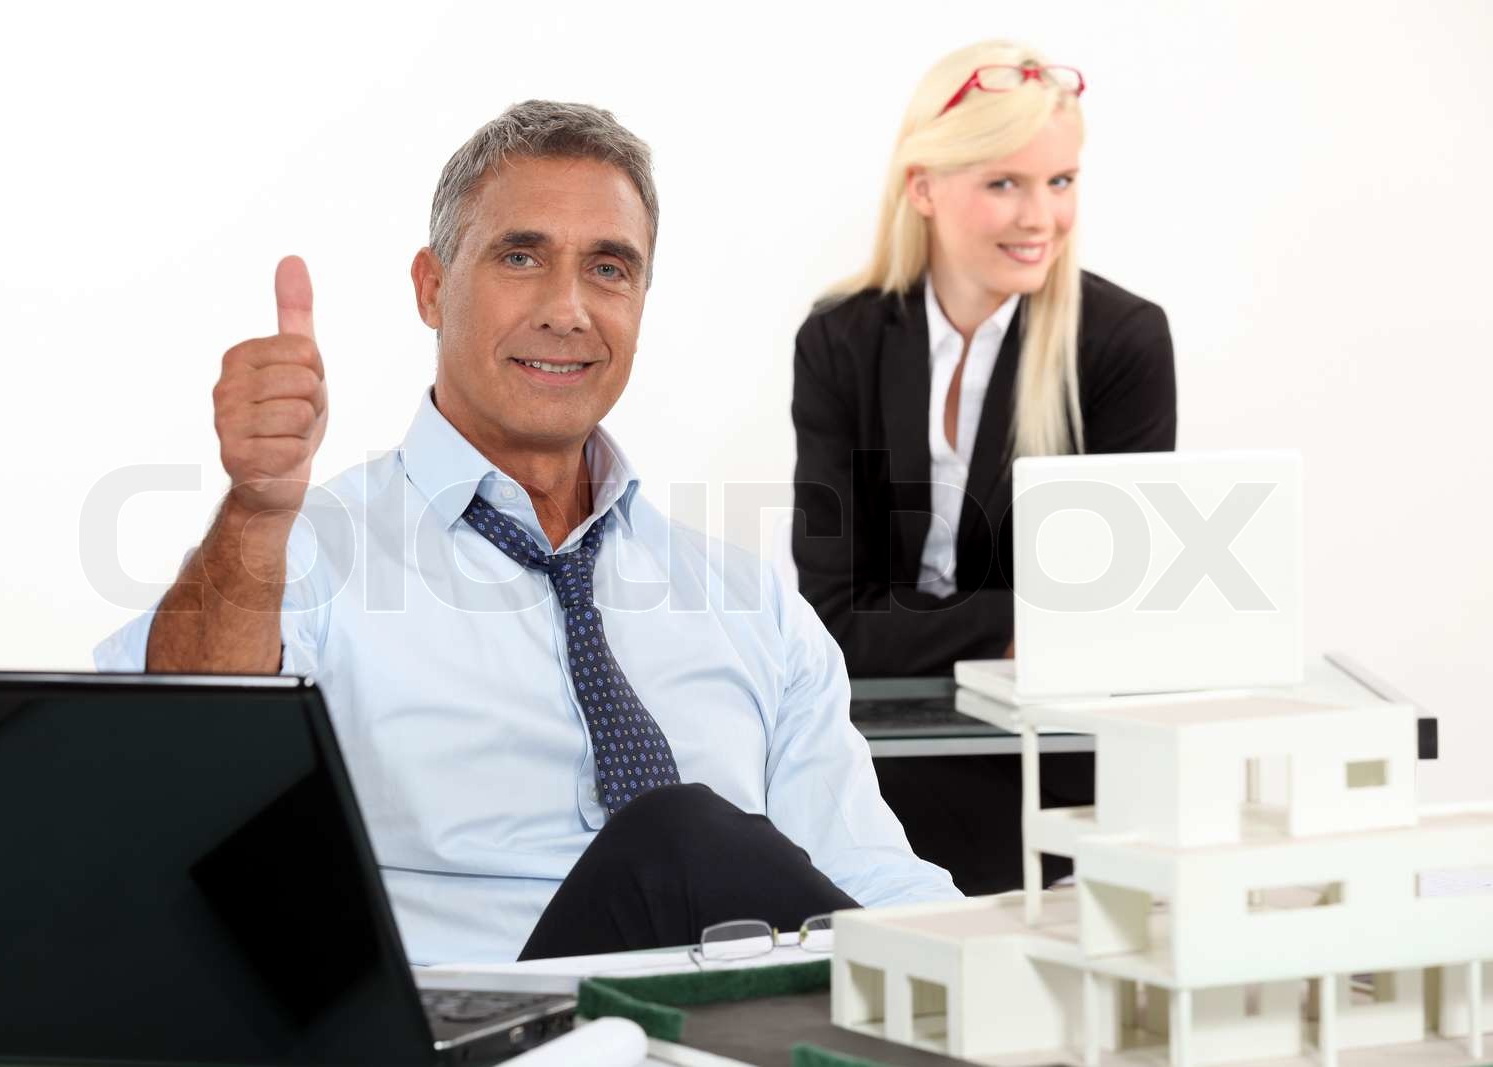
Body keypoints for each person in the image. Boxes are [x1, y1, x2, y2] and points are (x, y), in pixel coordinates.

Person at [96, 100, 959, 964]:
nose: (567, 309)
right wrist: (255, 510)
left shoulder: (751, 605)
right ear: (432, 288)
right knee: (681, 833)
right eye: (521, 257)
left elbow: (873, 878)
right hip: (481, 1020)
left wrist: (994, 960)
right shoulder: (309, 556)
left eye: (609, 269)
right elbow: (167, 766)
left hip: (737, 1023)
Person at [790, 42, 1177, 893]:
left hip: (1054, 765)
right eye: (1005, 183)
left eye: (1060, 181)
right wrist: (1011, 627)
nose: (1041, 216)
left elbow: (1101, 627)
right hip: (874, 757)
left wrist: (926, 627)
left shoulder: (1120, 343)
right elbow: (831, 620)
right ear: (923, 187)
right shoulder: (840, 341)